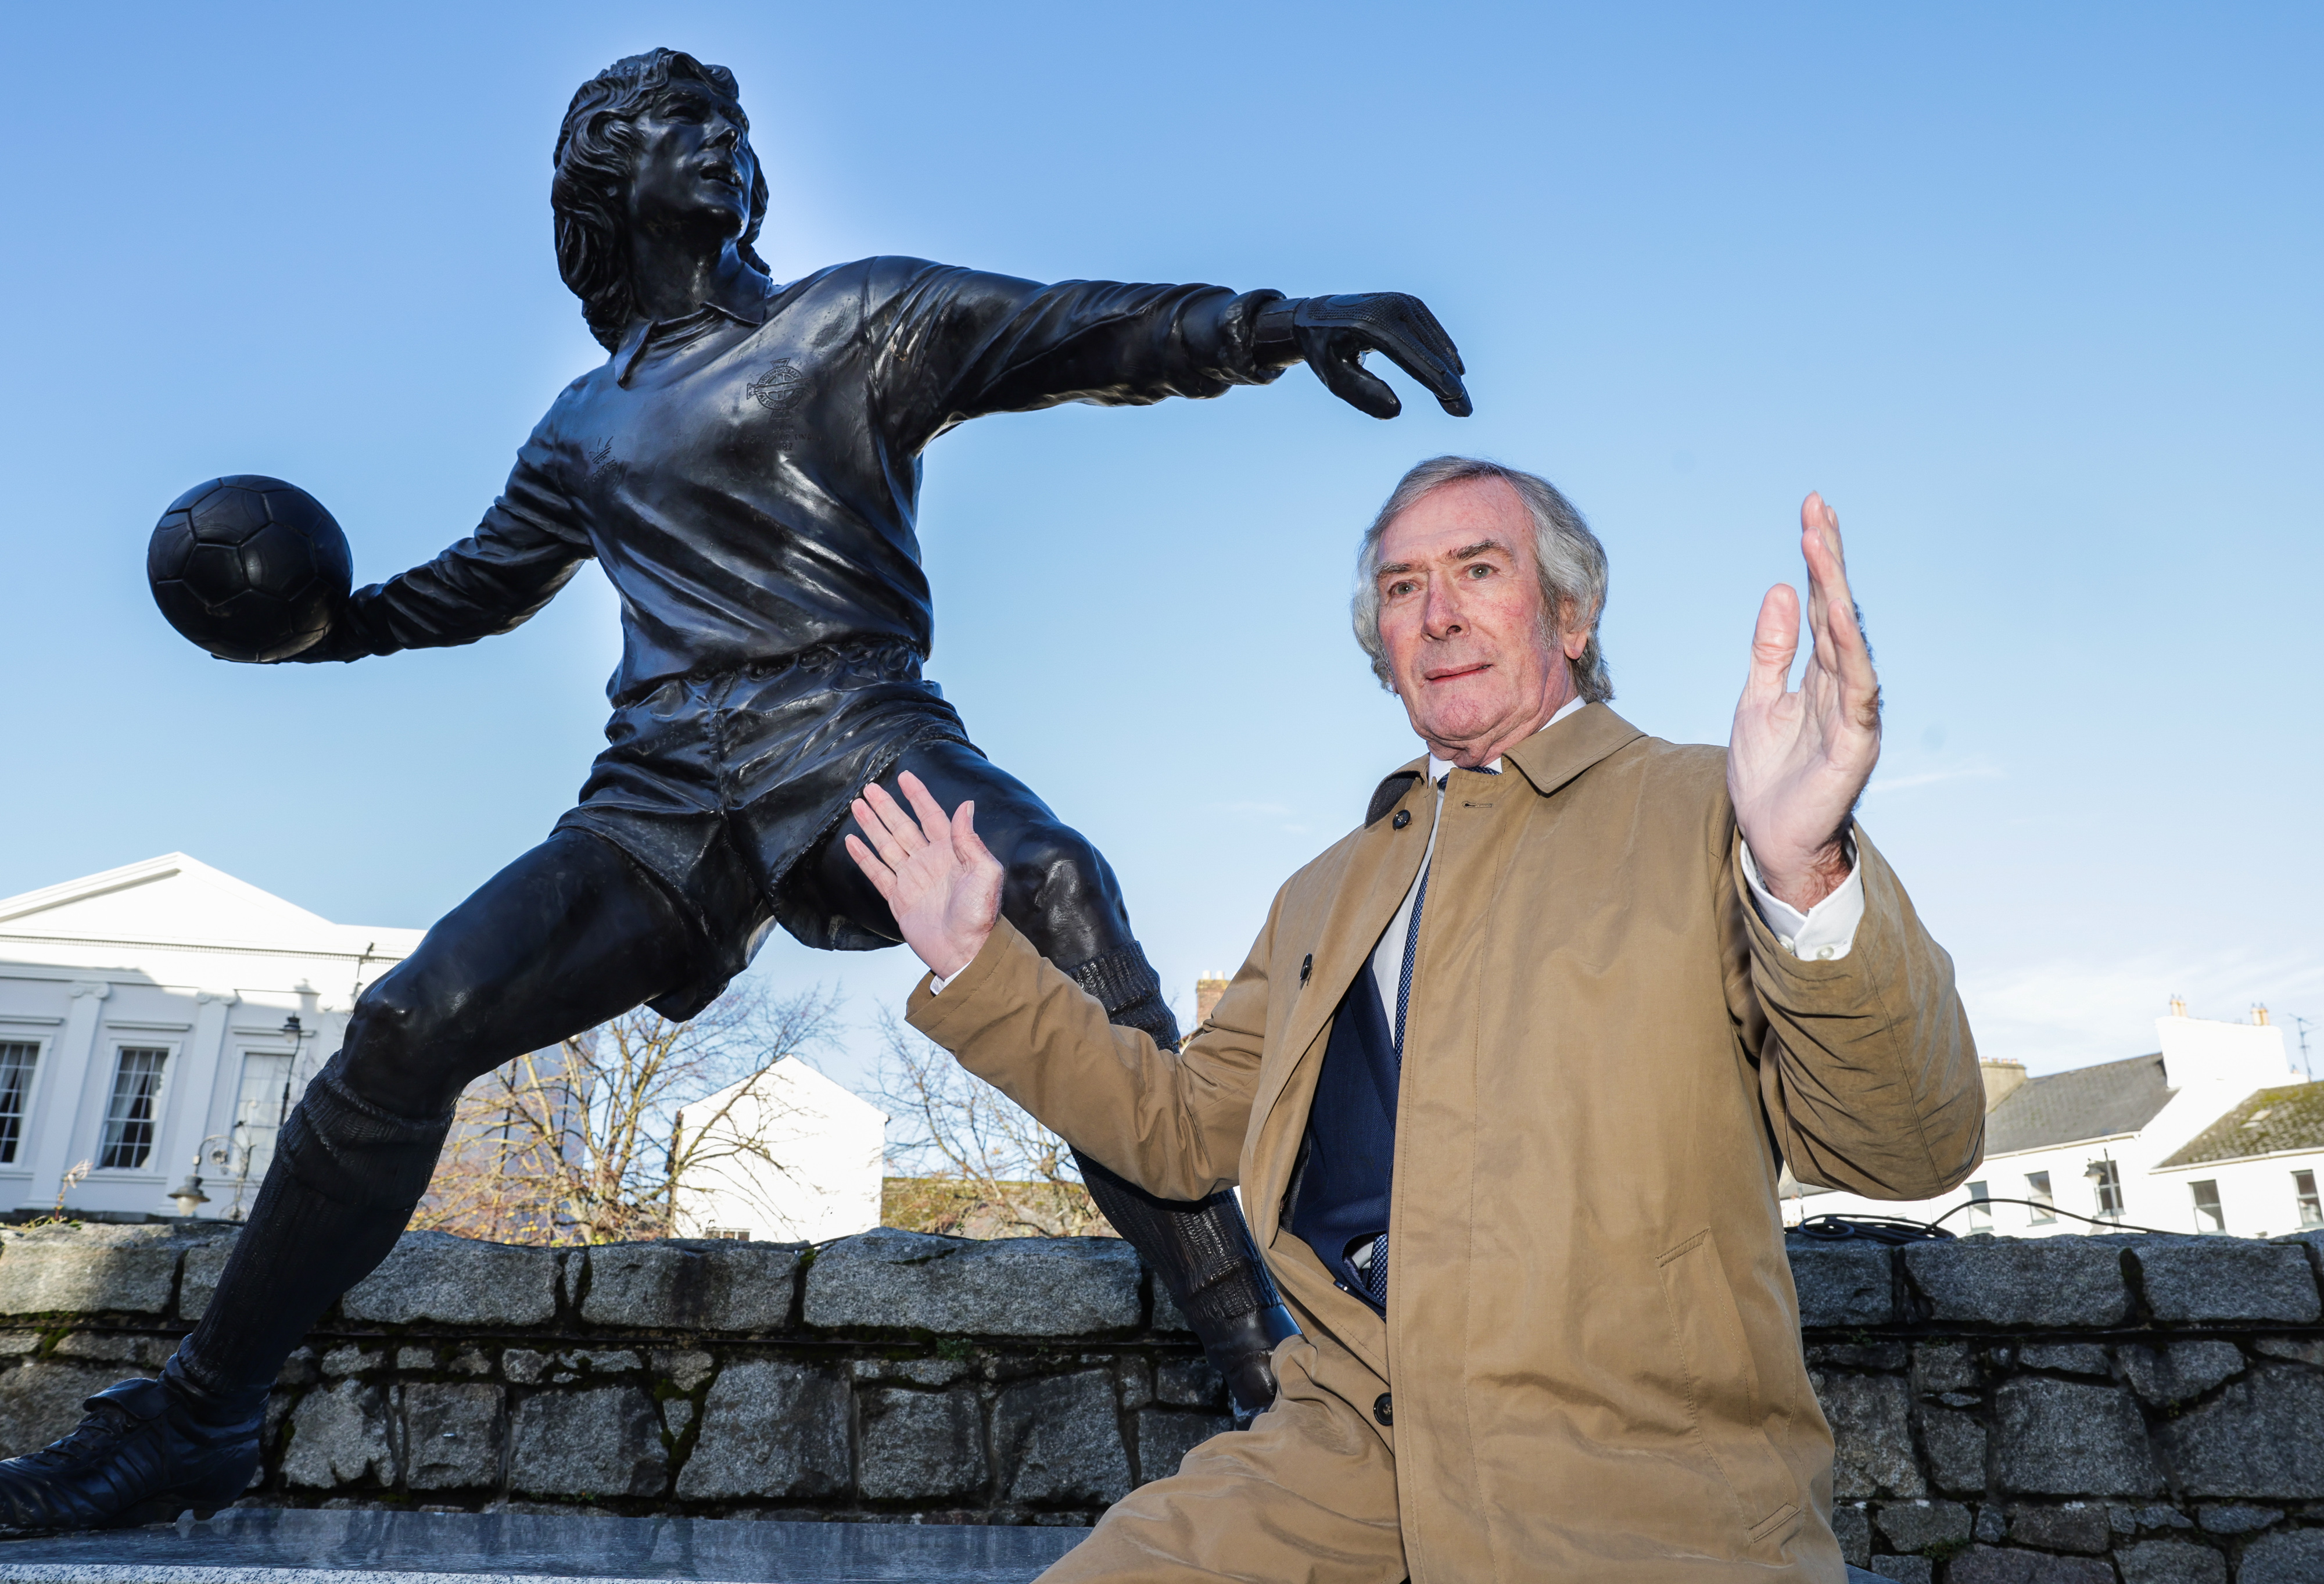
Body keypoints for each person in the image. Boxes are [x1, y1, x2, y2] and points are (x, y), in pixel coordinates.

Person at [0, 48, 1474, 1532]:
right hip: (655, 801)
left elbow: (1071, 331)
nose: (719, 143)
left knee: (1053, 880)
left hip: (853, 735)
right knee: (403, 1021)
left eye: (728, 125)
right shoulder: (584, 423)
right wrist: (331, 624)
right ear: (603, 180)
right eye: (673, 127)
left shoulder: (860, 321)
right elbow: (472, 588)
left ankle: (1265, 1375)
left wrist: (1274, 325)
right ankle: (198, 1418)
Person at [845, 455, 1985, 1581]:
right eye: (1400, 588)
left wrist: (1807, 873)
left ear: (1570, 614)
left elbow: (1909, 1146)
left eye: (1476, 569)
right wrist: (979, 964)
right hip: (1337, 1462)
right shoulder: (1322, 893)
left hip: (1638, 1495)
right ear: (1378, 642)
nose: (1435, 615)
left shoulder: (1708, 811)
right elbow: (1177, 1128)